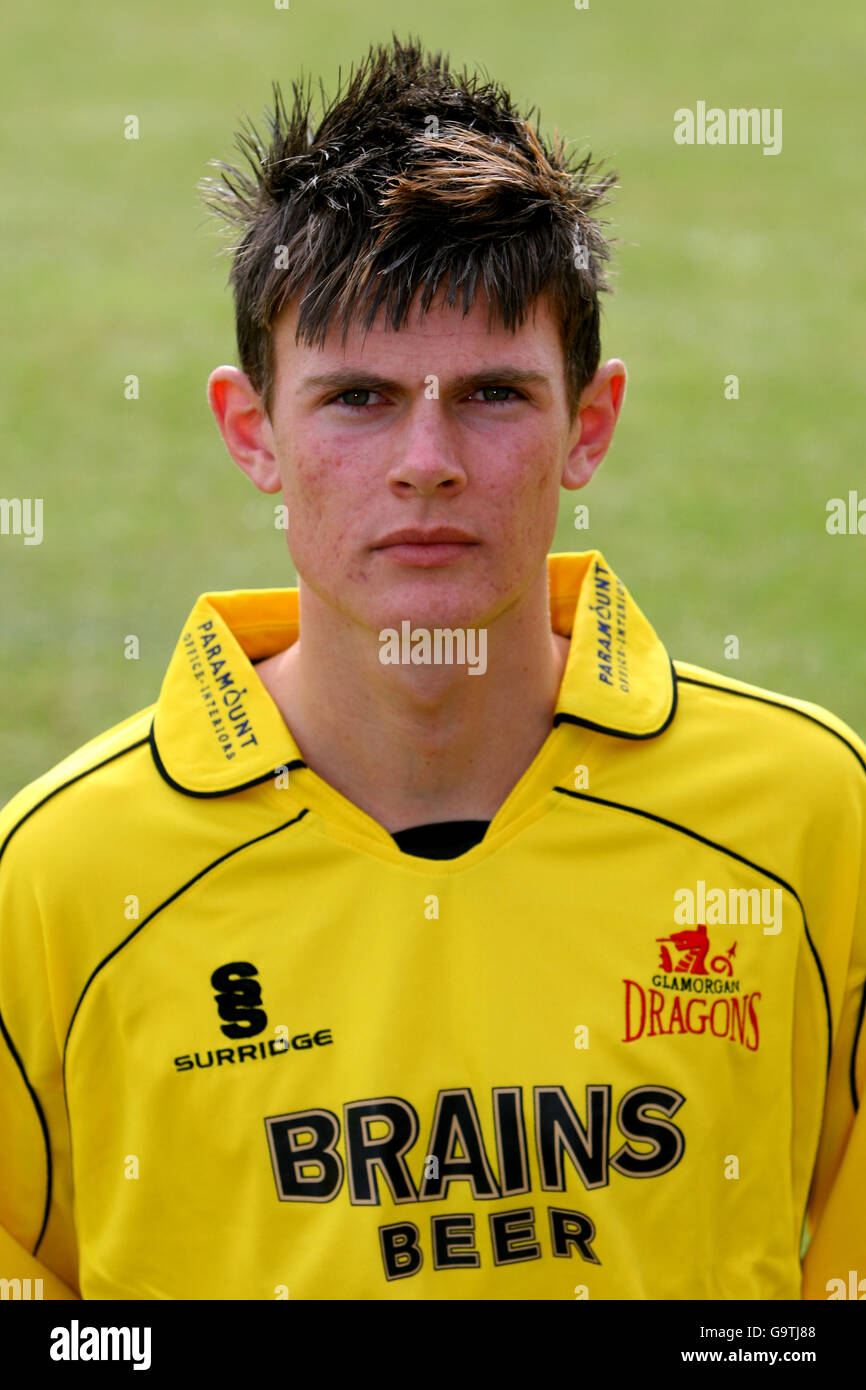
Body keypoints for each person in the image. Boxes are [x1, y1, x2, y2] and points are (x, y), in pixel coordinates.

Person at [0, 34, 863, 1302]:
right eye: (356, 398)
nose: (425, 463)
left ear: (588, 424)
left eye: (492, 395)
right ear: (252, 431)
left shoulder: (806, 817)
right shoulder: (61, 879)